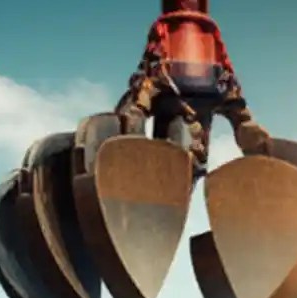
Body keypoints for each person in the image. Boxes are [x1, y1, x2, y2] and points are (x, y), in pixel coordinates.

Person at [114, 0, 277, 179]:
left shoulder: (167, 30)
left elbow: (150, 61)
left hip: (170, 88)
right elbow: (226, 71)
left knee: (133, 113)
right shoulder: (207, 32)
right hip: (202, 91)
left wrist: (139, 98)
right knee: (233, 122)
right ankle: (264, 157)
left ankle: (128, 153)